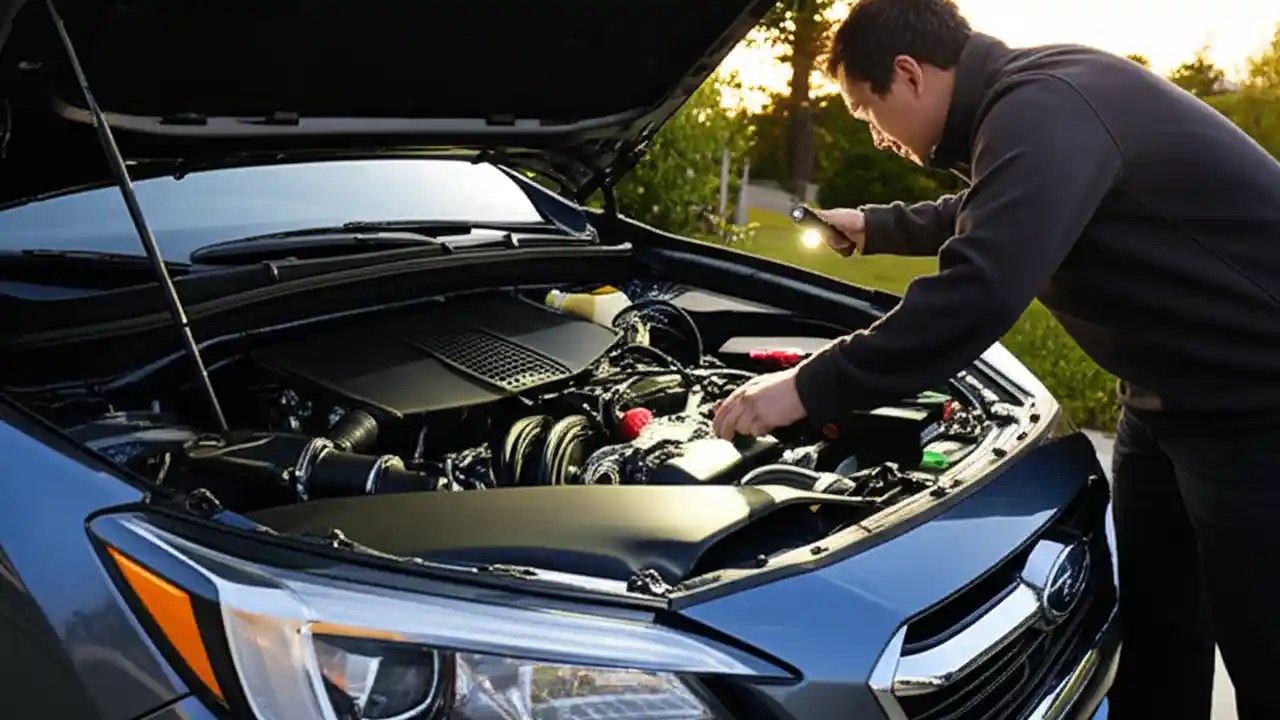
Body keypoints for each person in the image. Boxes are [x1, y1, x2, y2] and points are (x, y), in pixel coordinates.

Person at [710, 0, 1280, 718]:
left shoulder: (1044, 105)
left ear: (908, 74)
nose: (874, 134)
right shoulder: (1030, 104)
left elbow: (980, 291)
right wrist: (876, 226)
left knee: (1264, 647)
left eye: (863, 110)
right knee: (1158, 633)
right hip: (1167, 395)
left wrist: (808, 387)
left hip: (1258, 401)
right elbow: (995, 205)